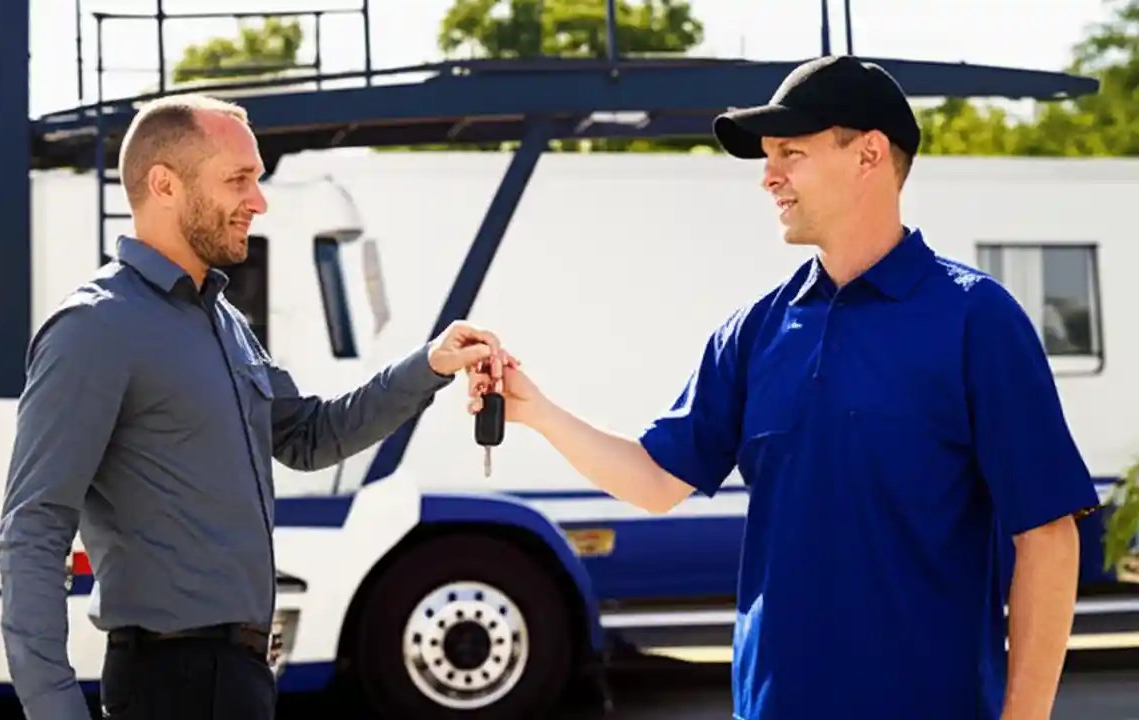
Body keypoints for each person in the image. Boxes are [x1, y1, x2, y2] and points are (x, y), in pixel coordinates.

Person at [471, 55, 1100, 720]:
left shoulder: (977, 318)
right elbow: (657, 480)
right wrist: (536, 411)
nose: (768, 177)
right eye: (767, 157)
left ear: (869, 155)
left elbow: (1048, 537)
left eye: (790, 153)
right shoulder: (756, 331)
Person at [0, 93, 506, 720]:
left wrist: (430, 364)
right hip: (171, 685)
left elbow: (309, 437)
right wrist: (54, 710)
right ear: (165, 185)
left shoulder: (224, 320)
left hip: (239, 677)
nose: (258, 202)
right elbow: (33, 526)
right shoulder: (95, 328)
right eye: (239, 180)